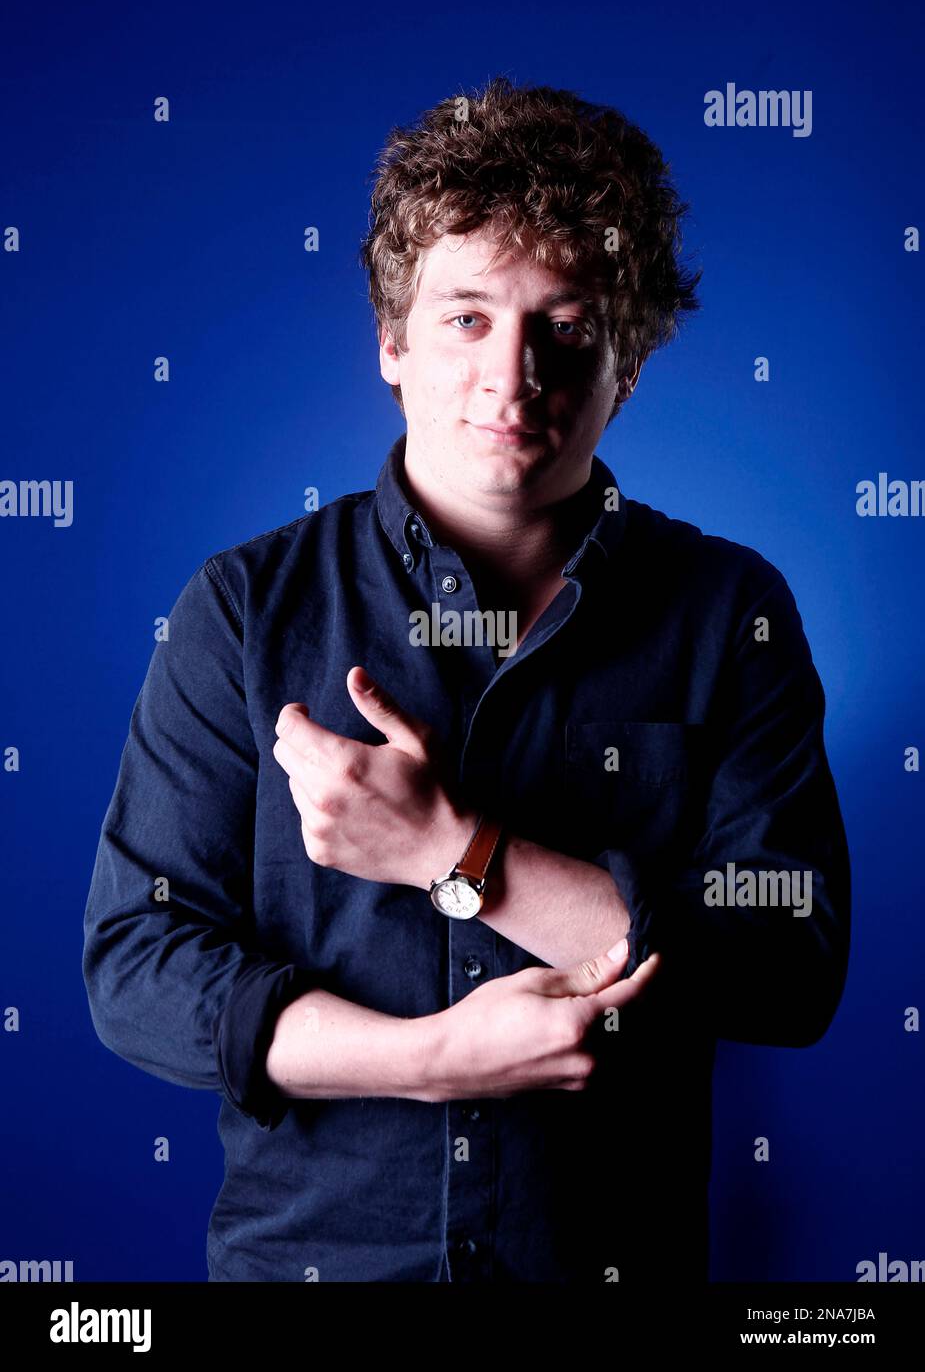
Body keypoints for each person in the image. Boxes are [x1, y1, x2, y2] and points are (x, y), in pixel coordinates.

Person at [82, 76, 851, 1283]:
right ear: (389, 342)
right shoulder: (241, 608)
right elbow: (136, 966)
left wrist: (461, 851)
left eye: (567, 324)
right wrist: (429, 1056)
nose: (513, 378)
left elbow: (787, 962)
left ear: (628, 360)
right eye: (465, 319)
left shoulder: (727, 610)